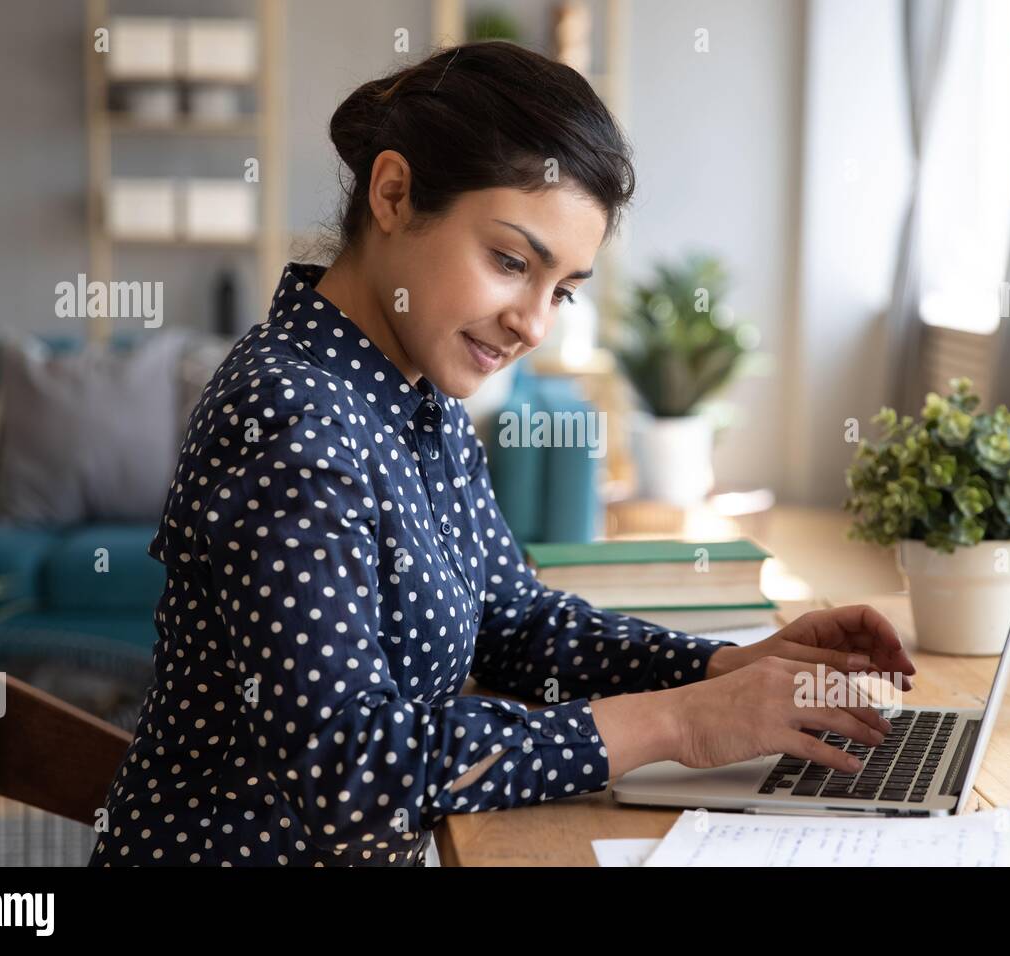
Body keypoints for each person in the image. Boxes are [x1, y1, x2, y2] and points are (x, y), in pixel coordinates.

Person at [90, 40, 914, 867]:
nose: (534, 322)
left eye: (559, 290)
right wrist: (679, 722)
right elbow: (351, 774)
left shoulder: (419, 400)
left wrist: (727, 669)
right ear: (393, 193)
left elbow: (516, 627)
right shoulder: (290, 420)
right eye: (511, 262)